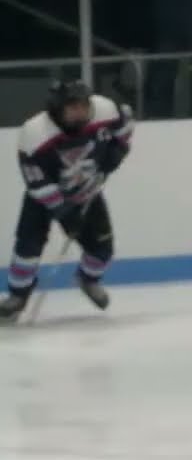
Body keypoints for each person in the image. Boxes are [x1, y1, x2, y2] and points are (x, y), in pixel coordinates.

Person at [0, 81, 133, 320]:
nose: (81, 111)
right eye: (73, 107)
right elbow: (36, 182)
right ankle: (17, 296)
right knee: (27, 248)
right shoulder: (35, 133)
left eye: (84, 106)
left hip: (87, 191)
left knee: (103, 249)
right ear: (58, 109)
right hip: (42, 198)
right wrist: (64, 210)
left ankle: (87, 279)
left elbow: (125, 126)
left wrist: (118, 150)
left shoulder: (104, 110)